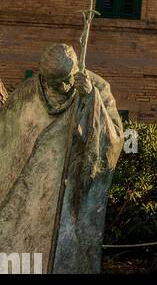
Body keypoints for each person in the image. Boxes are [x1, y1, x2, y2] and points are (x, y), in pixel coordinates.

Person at [0, 42, 123, 273]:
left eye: (68, 79)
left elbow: (114, 138)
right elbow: (7, 135)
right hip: (32, 189)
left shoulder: (97, 87)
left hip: (69, 189)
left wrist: (90, 101)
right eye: (55, 83)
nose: (64, 86)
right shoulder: (27, 93)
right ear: (43, 77)